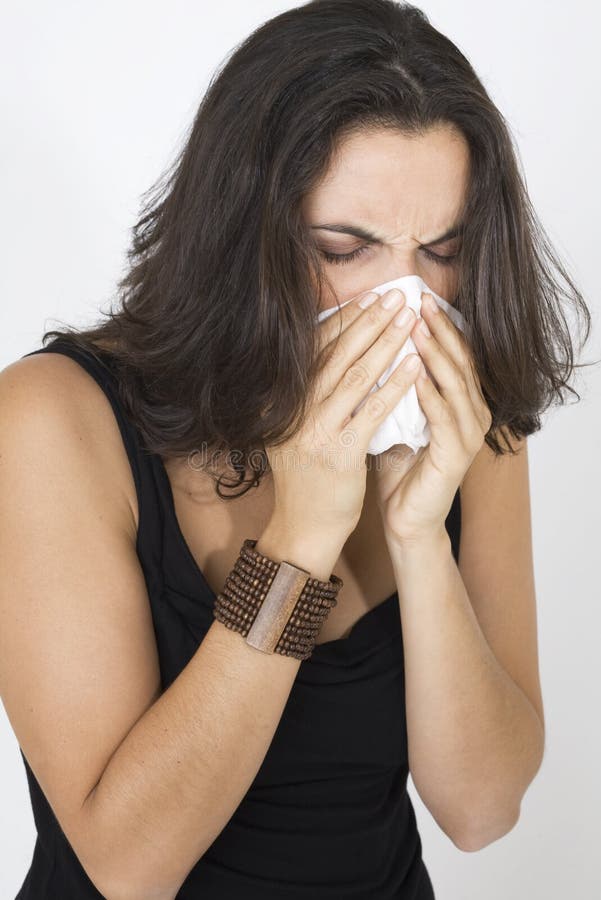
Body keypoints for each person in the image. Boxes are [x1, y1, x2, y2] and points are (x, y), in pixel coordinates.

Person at [0, 1, 591, 898]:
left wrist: (418, 534)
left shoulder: (468, 414)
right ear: (240, 238)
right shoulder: (54, 418)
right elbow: (126, 867)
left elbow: (480, 811)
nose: (405, 299)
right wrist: (302, 541)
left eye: (440, 249)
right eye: (344, 248)